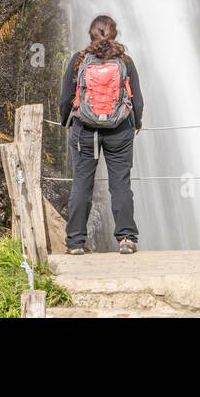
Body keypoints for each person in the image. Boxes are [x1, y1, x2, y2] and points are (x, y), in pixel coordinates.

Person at [59, 14, 143, 254]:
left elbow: (66, 97)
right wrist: (137, 122)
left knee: (82, 185)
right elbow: (136, 97)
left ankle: (75, 242)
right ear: (114, 34)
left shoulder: (79, 60)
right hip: (119, 131)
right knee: (120, 185)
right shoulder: (125, 61)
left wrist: (66, 120)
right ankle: (126, 238)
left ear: (91, 34)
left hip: (85, 131)